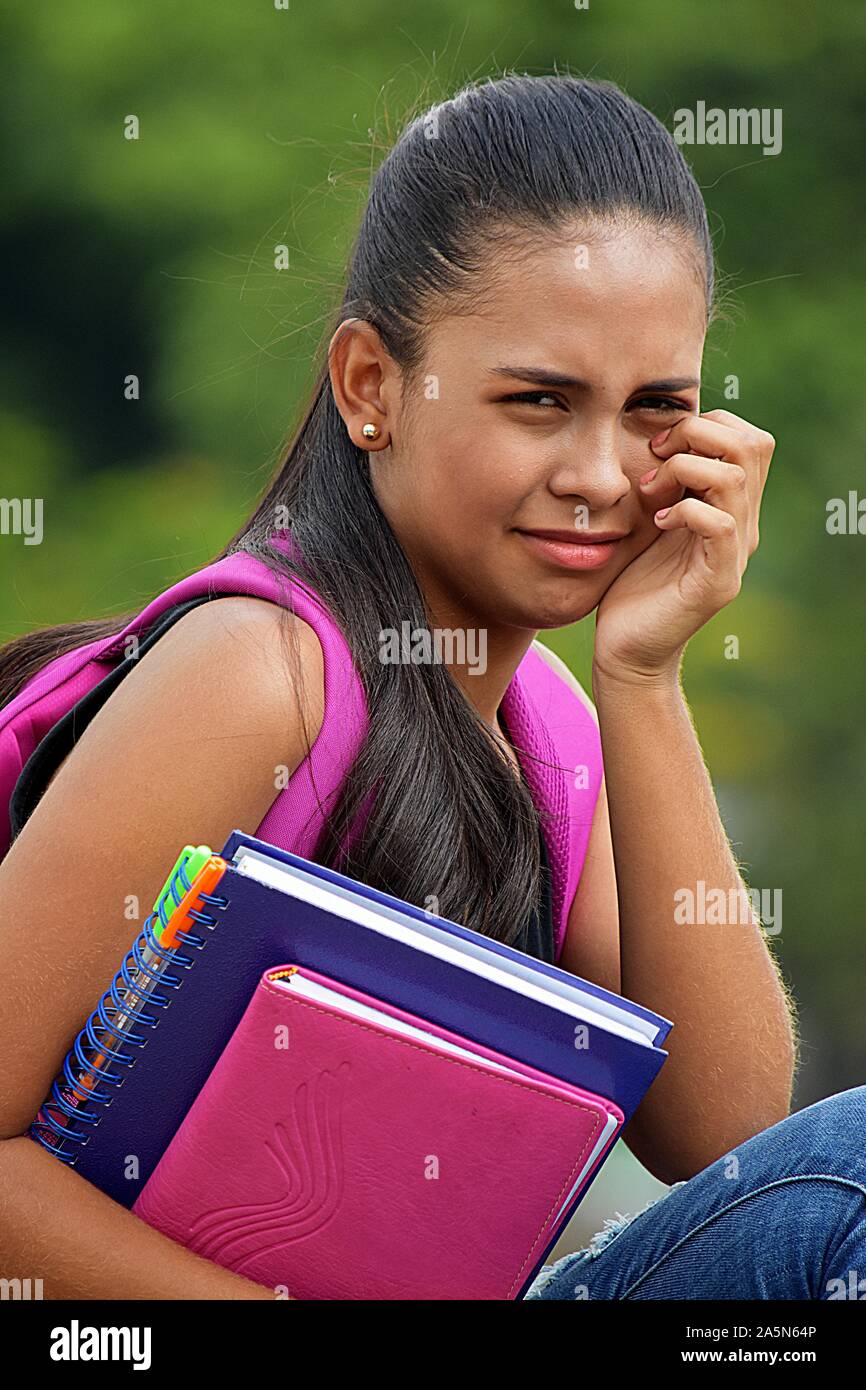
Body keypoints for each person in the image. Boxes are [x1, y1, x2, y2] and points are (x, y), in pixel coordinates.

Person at [0, 73, 861, 1302]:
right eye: (538, 402)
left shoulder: (552, 725)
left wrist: (646, 672)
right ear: (370, 386)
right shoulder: (259, 676)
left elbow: (724, 1136)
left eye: (653, 411)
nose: (600, 475)